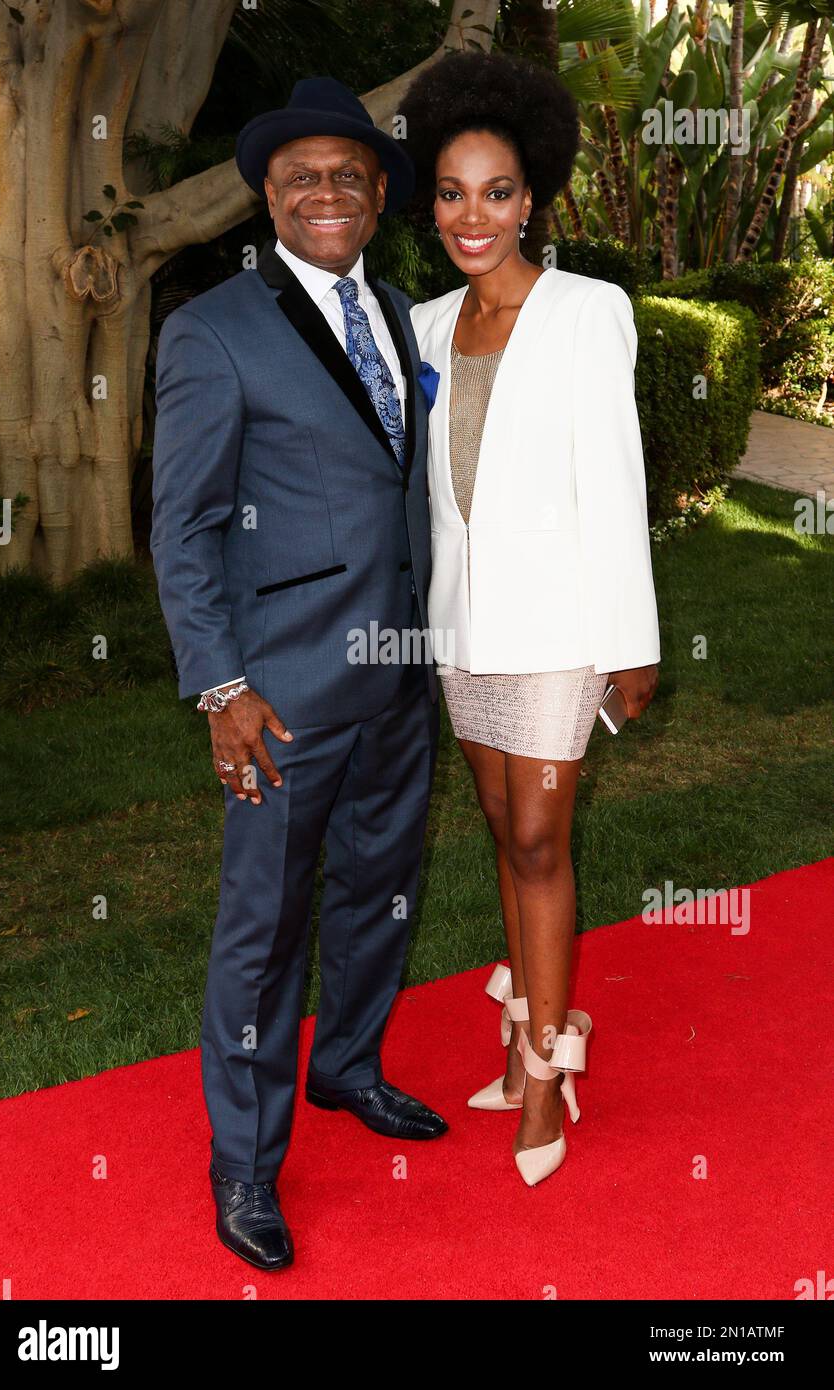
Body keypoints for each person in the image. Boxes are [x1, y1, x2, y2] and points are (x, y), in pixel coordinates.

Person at [150, 77, 447, 1273]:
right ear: (267, 197)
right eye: (299, 176)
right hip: (278, 692)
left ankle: (349, 1067)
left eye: (347, 174)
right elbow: (179, 528)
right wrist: (220, 687)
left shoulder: (402, 309)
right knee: (265, 930)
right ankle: (243, 1167)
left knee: (381, 889)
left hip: (400, 673)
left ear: (379, 194)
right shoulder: (211, 330)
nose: (325, 191)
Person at [400, 52, 660, 1187]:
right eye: (453, 192)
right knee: (505, 834)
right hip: (463, 629)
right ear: (432, 203)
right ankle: (518, 1039)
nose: (473, 215)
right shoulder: (418, 327)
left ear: (532, 196)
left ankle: (549, 1069)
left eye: (495, 191)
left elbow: (615, 479)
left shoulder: (586, 311)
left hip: (559, 629)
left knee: (542, 839)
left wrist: (631, 638)